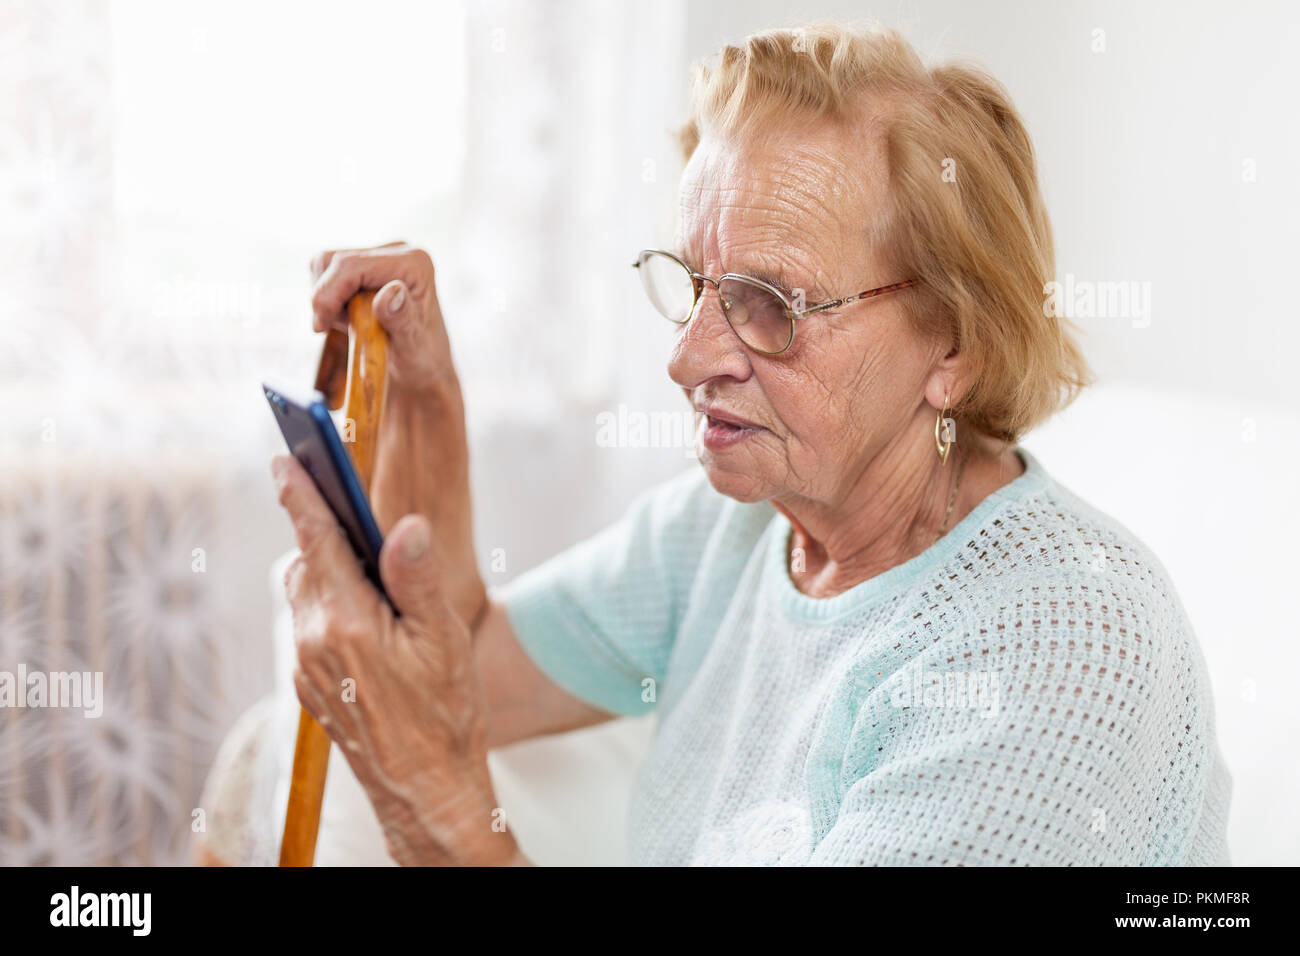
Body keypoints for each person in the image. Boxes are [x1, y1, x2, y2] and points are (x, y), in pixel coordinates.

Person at [271, 22, 1231, 866]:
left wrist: (433, 808)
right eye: (695, 285)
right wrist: (426, 395)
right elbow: (466, 667)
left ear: (955, 346)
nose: (686, 362)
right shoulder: (733, 529)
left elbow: (434, 725)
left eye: (769, 305)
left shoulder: (1057, 647)